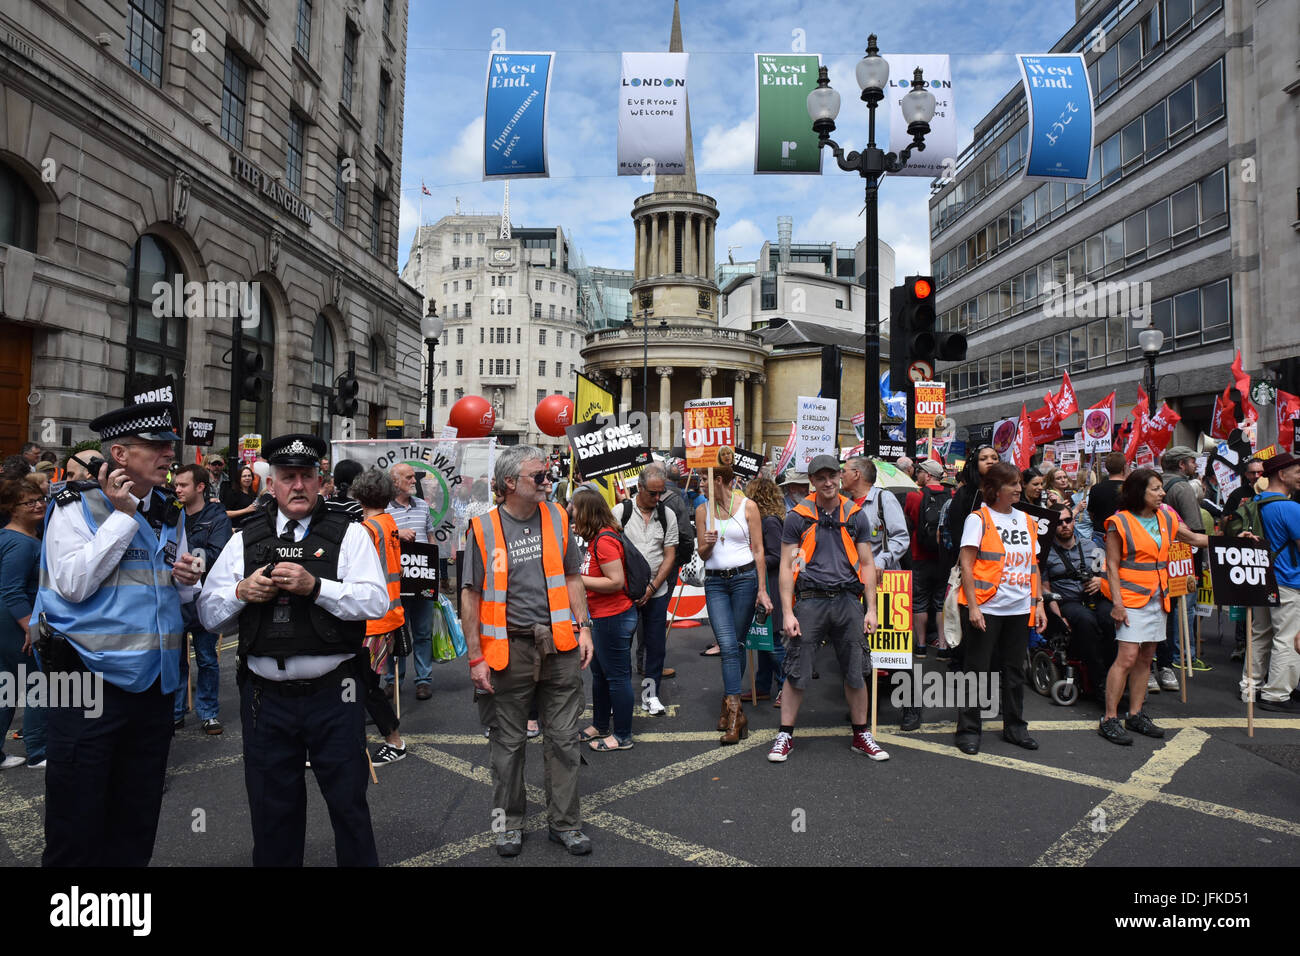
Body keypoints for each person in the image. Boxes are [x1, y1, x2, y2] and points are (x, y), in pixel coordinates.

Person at [197, 433, 389, 866]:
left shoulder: (350, 534)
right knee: (272, 816)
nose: (298, 486)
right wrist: (242, 592)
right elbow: (210, 614)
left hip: (333, 693)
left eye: (306, 476)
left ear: (321, 482)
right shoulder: (245, 538)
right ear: (272, 485)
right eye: (288, 477)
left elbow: (376, 601)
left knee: (348, 808)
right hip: (266, 698)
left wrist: (316, 586)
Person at [35, 402, 202, 865]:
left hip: (153, 688)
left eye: (170, 444)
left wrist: (190, 579)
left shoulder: (171, 511)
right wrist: (124, 516)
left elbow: (175, 594)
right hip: (85, 683)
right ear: (120, 454)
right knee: (76, 826)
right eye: (157, 445)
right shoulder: (74, 505)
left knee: (135, 823)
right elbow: (71, 584)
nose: (170, 452)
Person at [463, 445, 595, 857]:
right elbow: (470, 596)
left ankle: (566, 824)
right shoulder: (482, 528)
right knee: (507, 745)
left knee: (564, 741)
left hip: (560, 646)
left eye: (547, 473)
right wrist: (475, 657)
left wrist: (584, 626)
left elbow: (573, 576)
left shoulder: (558, 516)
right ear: (509, 484)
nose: (547, 481)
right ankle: (508, 826)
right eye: (538, 476)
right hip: (508, 650)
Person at [768, 454, 886, 763]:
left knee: (857, 669)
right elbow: (786, 567)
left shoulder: (855, 515)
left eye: (832, 475)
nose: (828, 482)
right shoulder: (799, 516)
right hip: (810, 600)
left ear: (840, 475)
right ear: (813, 482)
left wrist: (871, 610)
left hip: (848, 600)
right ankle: (785, 734)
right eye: (821, 477)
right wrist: (788, 612)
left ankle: (861, 735)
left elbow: (867, 563)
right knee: (797, 669)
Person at [1097, 468, 1209, 744]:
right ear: (1139, 492)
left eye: (1161, 489)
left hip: (1159, 597)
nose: (1162, 494)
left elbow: (1194, 539)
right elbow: (1111, 565)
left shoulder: (1166, 516)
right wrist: (1118, 604)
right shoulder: (1118, 522)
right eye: (1156, 489)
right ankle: (1110, 718)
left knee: (1147, 658)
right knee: (1126, 658)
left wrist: (1231, 541)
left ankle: (1135, 714)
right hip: (1130, 599)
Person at [956, 461, 1046, 755]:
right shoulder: (978, 519)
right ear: (995, 490)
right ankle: (969, 729)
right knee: (976, 670)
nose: (1019, 488)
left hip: (1019, 608)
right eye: (1013, 484)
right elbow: (966, 566)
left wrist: (1039, 603)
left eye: (1019, 483)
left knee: (1014, 671)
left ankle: (1015, 728)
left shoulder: (1027, 520)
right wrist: (972, 607)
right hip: (987, 607)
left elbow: (1033, 565)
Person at [696, 461, 772, 744]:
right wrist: (707, 543)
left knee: (736, 646)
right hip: (715, 582)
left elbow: (759, 550)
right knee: (728, 645)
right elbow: (703, 555)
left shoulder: (748, 507)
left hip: (745, 580)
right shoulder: (702, 510)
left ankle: (728, 705)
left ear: (720, 480)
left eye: (705, 478)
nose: (701, 483)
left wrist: (762, 591)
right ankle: (736, 712)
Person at [570, 489, 638, 751]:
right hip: (601, 617)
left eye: (574, 508)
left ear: (585, 511)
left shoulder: (605, 540)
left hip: (614, 617)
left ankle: (622, 735)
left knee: (617, 677)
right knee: (600, 675)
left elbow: (616, 581)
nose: (571, 512)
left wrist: (576, 579)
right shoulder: (596, 538)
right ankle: (600, 724)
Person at [350, 467, 410, 762]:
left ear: (359, 495)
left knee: (365, 684)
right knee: (364, 681)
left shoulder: (366, 530)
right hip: (389, 613)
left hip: (373, 619)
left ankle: (394, 740)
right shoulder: (388, 522)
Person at [171, 465, 232, 734]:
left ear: (200, 487)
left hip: (205, 596)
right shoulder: (172, 513)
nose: (177, 489)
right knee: (175, 659)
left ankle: (208, 712)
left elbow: (217, 553)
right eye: (176, 485)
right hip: (175, 597)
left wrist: (188, 562)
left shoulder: (216, 516)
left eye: (183, 485)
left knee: (206, 658)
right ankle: (175, 711)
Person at [1239, 452, 1300, 712]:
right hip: (1288, 580)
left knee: (1259, 634)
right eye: (1297, 472)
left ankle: (1249, 688)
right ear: (1281, 475)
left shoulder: (1254, 502)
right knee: (1287, 638)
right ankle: (1276, 694)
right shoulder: (1291, 508)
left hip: (1260, 578)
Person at [617, 463, 678, 712]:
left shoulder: (667, 515)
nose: (657, 498)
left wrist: (652, 588)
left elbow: (670, 555)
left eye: (660, 493)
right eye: (652, 493)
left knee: (655, 646)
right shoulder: (620, 511)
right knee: (621, 645)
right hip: (624, 594)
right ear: (639, 488)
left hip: (657, 592)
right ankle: (618, 695)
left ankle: (651, 695)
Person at [899, 459, 953, 730]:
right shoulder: (951, 495)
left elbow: (909, 520)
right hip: (943, 557)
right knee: (941, 600)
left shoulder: (913, 495)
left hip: (919, 555)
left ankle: (920, 645)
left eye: (920, 471)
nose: (917, 474)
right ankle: (942, 645)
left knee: (919, 601)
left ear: (925, 475)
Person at [1042, 503, 1116, 700]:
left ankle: (1116, 676)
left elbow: (1106, 574)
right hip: (1067, 602)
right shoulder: (1046, 553)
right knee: (1086, 620)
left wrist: (1101, 582)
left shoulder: (1091, 546)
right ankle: (1099, 680)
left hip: (1095, 598)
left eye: (1068, 520)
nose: (1064, 525)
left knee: (1110, 618)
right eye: (1059, 523)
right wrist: (1057, 619)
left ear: (1074, 521)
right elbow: (1044, 588)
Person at [0, 477, 47, 769]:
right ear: (11, 508)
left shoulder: (10, 537)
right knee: (40, 683)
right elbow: (12, 589)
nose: (39, 504)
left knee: (6, 685)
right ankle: (39, 751)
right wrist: (30, 626)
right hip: (17, 618)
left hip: (7, 619)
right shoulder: (22, 544)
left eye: (40, 498)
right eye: (29, 502)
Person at [1155, 446, 1205, 692]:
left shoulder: (1156, 483)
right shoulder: (1183, 487)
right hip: (1180, 558)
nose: (1196, 466)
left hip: (1161, 559)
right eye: (1193, 462)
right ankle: (1183, 656)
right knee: (1183, 608)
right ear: (1182, 464)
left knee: (1167, 609)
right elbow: (1195, 529)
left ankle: (1164, 655)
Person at [385, 463, 436, 701]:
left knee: (423, 632)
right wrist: (397, 533)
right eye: (408, 478)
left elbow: (431, 538)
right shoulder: (383, 511)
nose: (414, 481)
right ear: (395, 482)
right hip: (396, 583)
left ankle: (423, 680)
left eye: (413, 477)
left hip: (422, 579)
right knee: (395, 631)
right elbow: (376, 540)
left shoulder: (423, 506)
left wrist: (437, 573)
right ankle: (393, 679)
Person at [745, 476, 787, 705]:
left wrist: (753, 559)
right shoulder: (765, 520)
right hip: (766, 584)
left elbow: (777, 556)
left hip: (770, 586)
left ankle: (785, 686)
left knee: (772, 641)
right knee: (762, 640)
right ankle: (761, 686)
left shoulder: (769, 522)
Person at [1225, 458, 1264, 661]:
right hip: (1244, 555)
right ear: (1246, 474)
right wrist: (1238, 512)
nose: (1256, 476)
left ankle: (1258, 646)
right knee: (1244, 602)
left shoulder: (1270, 492)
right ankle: (1241, 644)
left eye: (1260, 472)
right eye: (1252, 473)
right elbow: (1225, 521)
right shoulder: (1239, 494)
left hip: (1264, 553)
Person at [840, 456, 909, 571]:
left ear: (856, 474)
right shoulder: (844, 504)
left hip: (881, 580)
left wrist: (881, 561)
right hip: (850, 578)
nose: (841, 476)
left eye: (844, 471)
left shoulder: (884, 499)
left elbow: (900, 538)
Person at [1088, 453, 1128, 546]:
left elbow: (1091, 513)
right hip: (1125, 533)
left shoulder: (1096, 488)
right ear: (1124, 467)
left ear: (1106, 468)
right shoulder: (1131, 487)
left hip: (1101, 535)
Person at [223, 464, 260, 528]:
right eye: (244, 476)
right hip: (237, 529)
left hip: (251, 528)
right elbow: (226, 513)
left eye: (249, 476)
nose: (247, 478)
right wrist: (246, 510)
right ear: (239, 479)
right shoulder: (233, 493)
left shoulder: (253, 493)